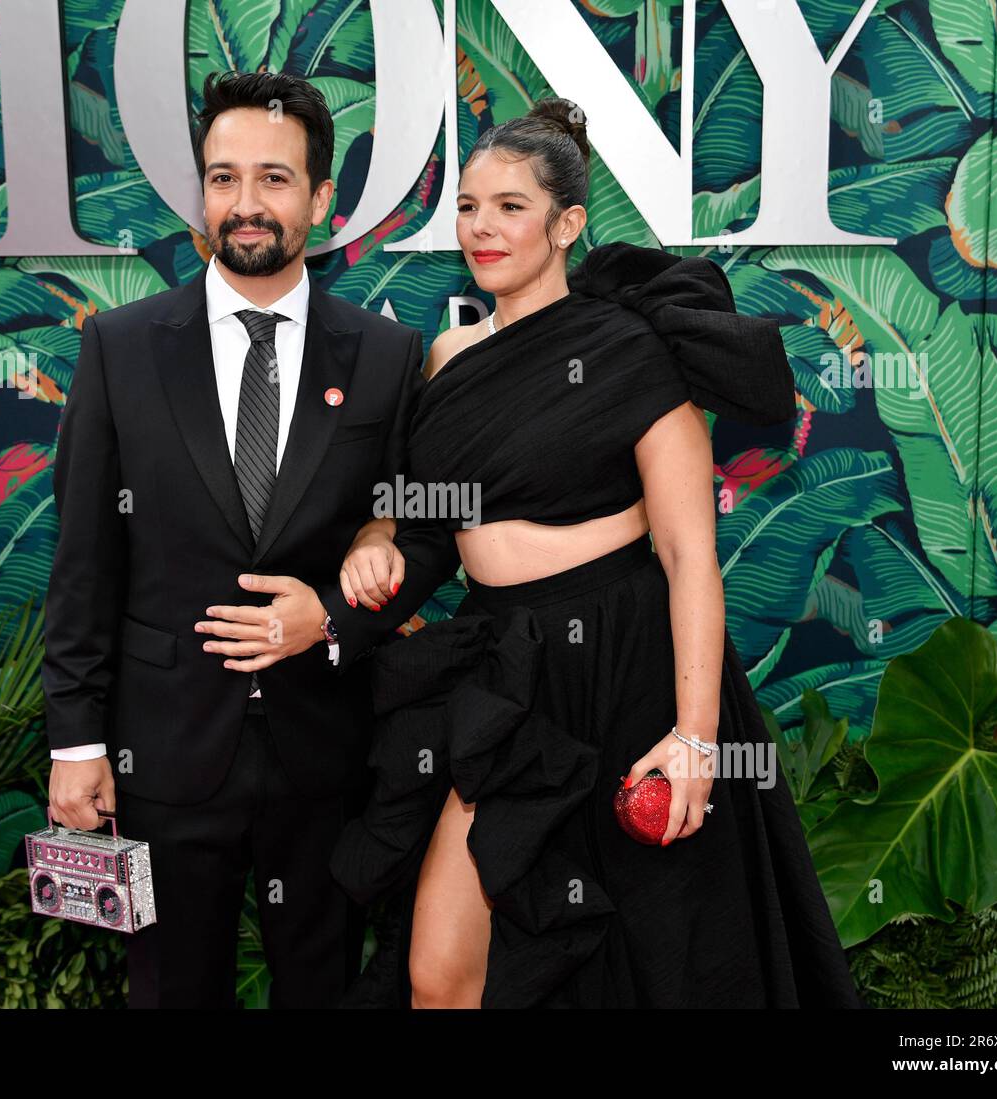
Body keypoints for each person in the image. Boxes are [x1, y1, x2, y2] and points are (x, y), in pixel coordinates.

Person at [327, 98, 865, 1008]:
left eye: (509, 206)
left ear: (568, 223)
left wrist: (696, 738)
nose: (481, 228)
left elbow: (691, 555)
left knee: (649, 962)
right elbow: (426, 518)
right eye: (467, 206)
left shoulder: (633, 349)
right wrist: (377, 540)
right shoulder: (448, 357)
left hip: (624, 664)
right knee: (440, 973)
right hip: (501, 670)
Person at [42, 71, 460, 1008]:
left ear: (320, 198)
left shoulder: (386, 356)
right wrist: (75, 740)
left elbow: (428, 534)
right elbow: (83, 561)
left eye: (274, 178)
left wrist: (338, 621)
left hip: (328, 754)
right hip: (163, 754)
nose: (245, 203)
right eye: (223, 177)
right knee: (169, 991)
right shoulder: (121, 346)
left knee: (322, 988)